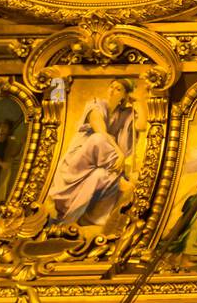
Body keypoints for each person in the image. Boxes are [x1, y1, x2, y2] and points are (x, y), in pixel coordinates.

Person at [48, 79, 145, 226]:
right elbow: (101, 131)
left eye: (118, 89)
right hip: (79, 158)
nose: (112, 90)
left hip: (101, 161)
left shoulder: (124, 114)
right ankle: (119, 178)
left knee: (101, 175)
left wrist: (137, 102)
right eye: (111, 86)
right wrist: (119, 152)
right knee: (98, 139)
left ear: (125, 96)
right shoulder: (95, 104)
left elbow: (142, 126)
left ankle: (93, 220)